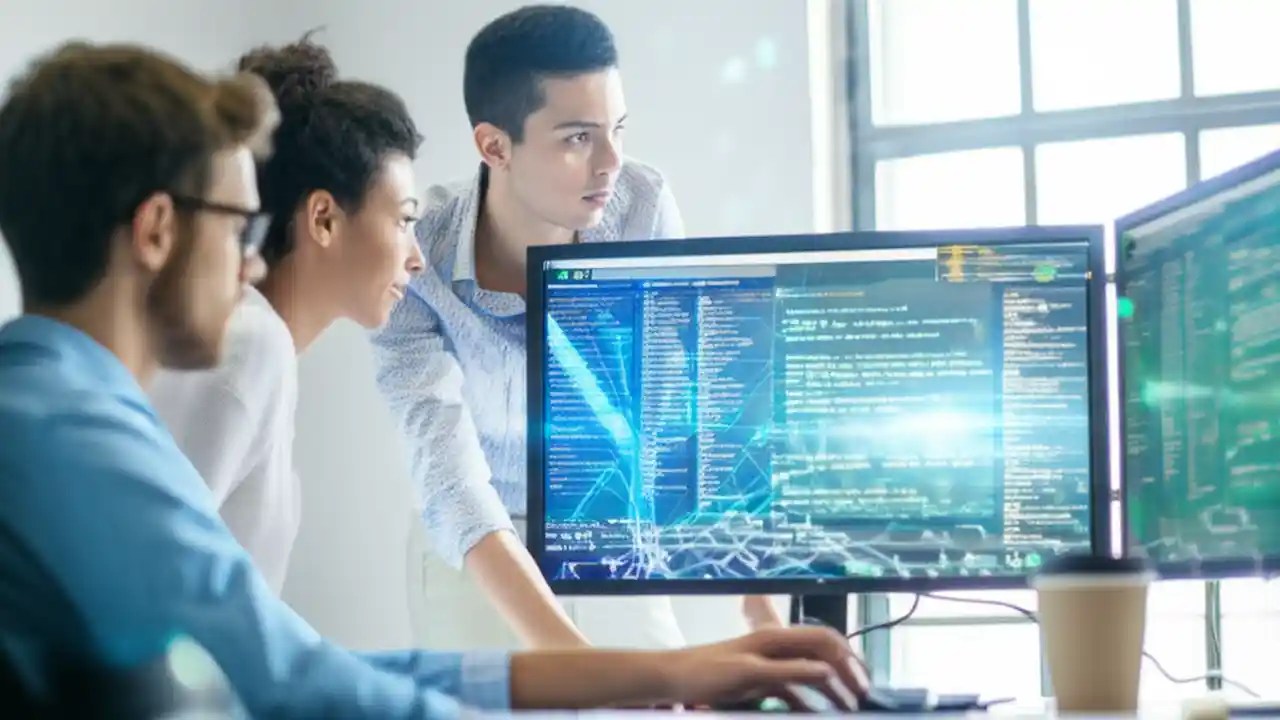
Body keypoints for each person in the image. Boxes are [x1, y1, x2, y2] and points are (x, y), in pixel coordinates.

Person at [0, 40, 871, 717]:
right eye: (237, 224)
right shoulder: (86, 429)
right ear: (157, 231)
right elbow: (290, 678)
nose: (252, 263)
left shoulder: (56, 407)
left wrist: (661, 672)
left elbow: (291, 659)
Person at [372, 3, 785, 652]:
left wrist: (760, 610)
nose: (610, 161)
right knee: (503, 695)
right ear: (495, 146)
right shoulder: (416, 252)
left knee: (660, 692)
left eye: (617, 128)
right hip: (476, 539)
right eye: (577, 138)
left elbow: (697, 398)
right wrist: (571, 658)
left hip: (607, 522)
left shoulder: (642, 208)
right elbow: (451, 479)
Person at [146, 36, 425, 595]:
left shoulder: (251, 338)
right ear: (323, 219)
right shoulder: (250, 342)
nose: (415, 257)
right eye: (403, 220)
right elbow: (144, 570)